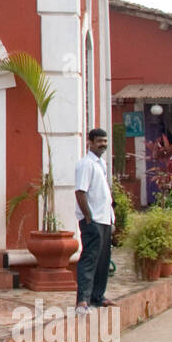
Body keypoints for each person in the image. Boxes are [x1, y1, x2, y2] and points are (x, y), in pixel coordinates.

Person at [74, 128, 115, 313]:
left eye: (105, 141)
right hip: (93, 220)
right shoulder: (86, 164)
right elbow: (80, 192)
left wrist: (111, 218)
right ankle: (82, 300)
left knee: (103, 261)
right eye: (99, 141)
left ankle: (97, 296)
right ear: (90, 142)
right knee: (90, 259)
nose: (103, 144)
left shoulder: (101, 164)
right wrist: (88, 216)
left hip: (104, 219)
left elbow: (103, 193)